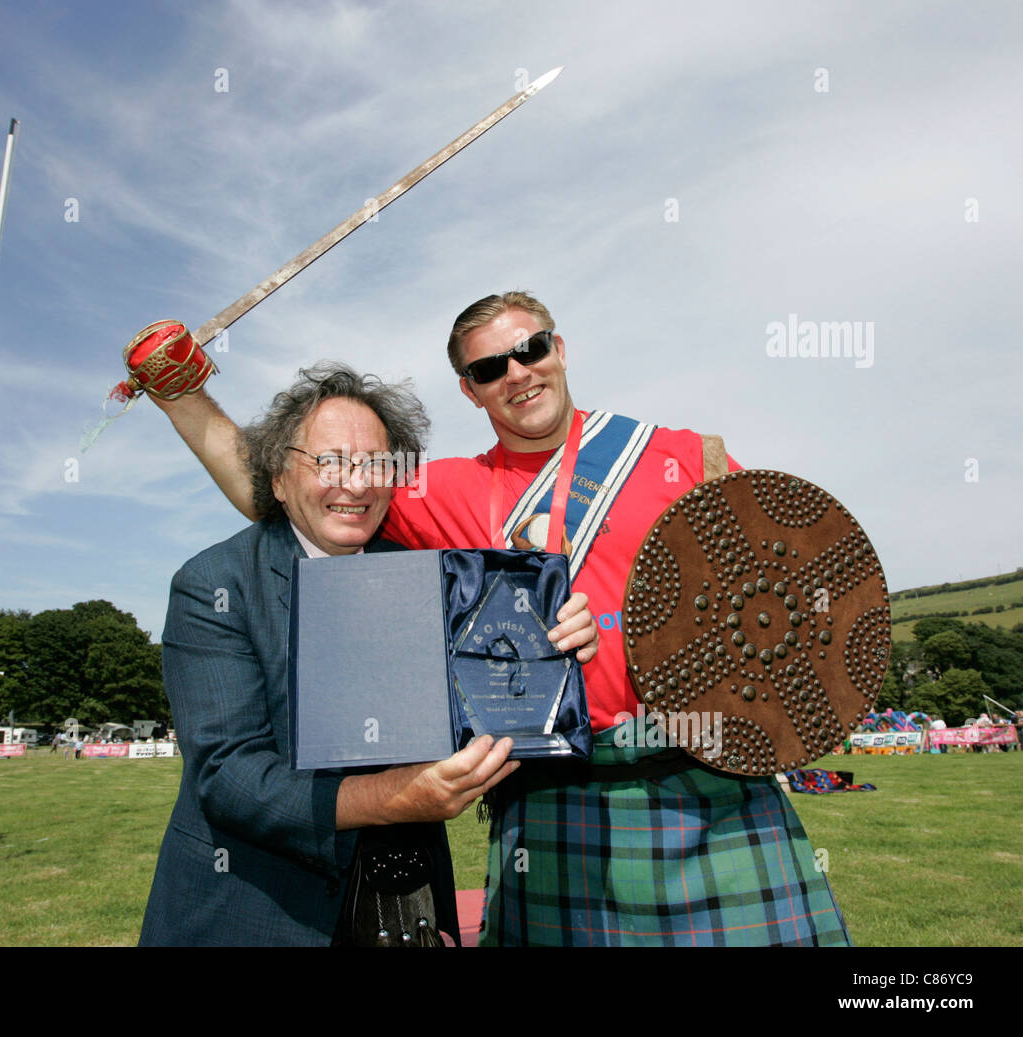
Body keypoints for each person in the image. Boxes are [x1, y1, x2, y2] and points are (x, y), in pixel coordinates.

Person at [146, 291, 850, 947]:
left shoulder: (682, 457)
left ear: (560, 347)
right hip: (547, 789)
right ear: (470, 388)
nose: (517, 373)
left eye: (531, 349)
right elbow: (297, 489)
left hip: (700, 775)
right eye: (489, 367)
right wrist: (182, 394)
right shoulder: (437, 489)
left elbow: (784, 603)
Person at [138, 363, 599, 946]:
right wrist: (393, 797)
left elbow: (493, 686)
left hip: (405, 904)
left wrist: (559, 642)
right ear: (279, 478)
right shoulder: (214, 583)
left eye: (376, 464)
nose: (354, 484)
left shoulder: (432, 576)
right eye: (328, 461)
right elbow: (228, 777)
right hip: (253, 910)